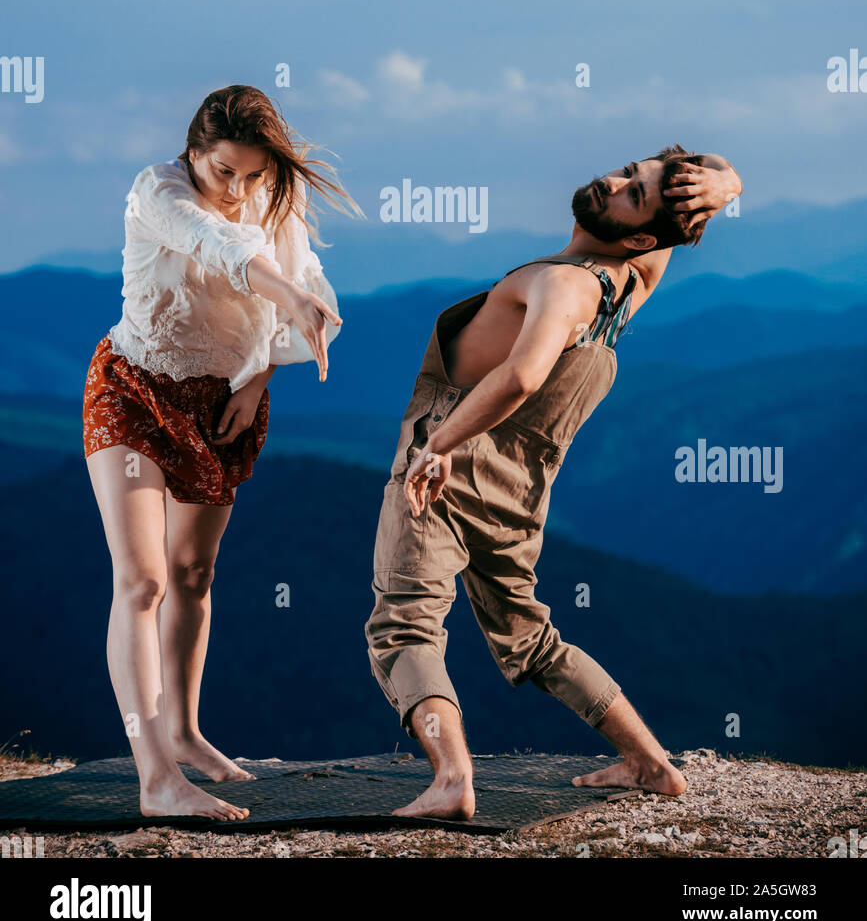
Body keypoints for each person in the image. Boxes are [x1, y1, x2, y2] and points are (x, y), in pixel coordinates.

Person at [365, 145, 742, 820]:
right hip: (518, 489)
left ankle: (451, 779)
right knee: (527, 635)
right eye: (630, 171)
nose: (614, 179)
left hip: (448, 459)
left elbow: (521, 376)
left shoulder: (565, 285)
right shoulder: (632, 279)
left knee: (404, 627)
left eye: (631, 193)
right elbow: (692, 166)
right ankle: (650, 764)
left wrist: (437, 448)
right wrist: (720, 180)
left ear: (635, 235)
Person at [83, 85, 359, 821]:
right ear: (193, 154)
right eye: (223, 172)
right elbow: (224, 247)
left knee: (193, 574)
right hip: (133, 389)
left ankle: (185, 732)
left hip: (222, 401)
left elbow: (295, 289)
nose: (238, 189)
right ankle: (156, 778)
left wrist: (262, 371)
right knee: (141, 582)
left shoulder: (276, 204)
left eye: (253, 175)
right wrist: (288, 297)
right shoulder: (159, 192)